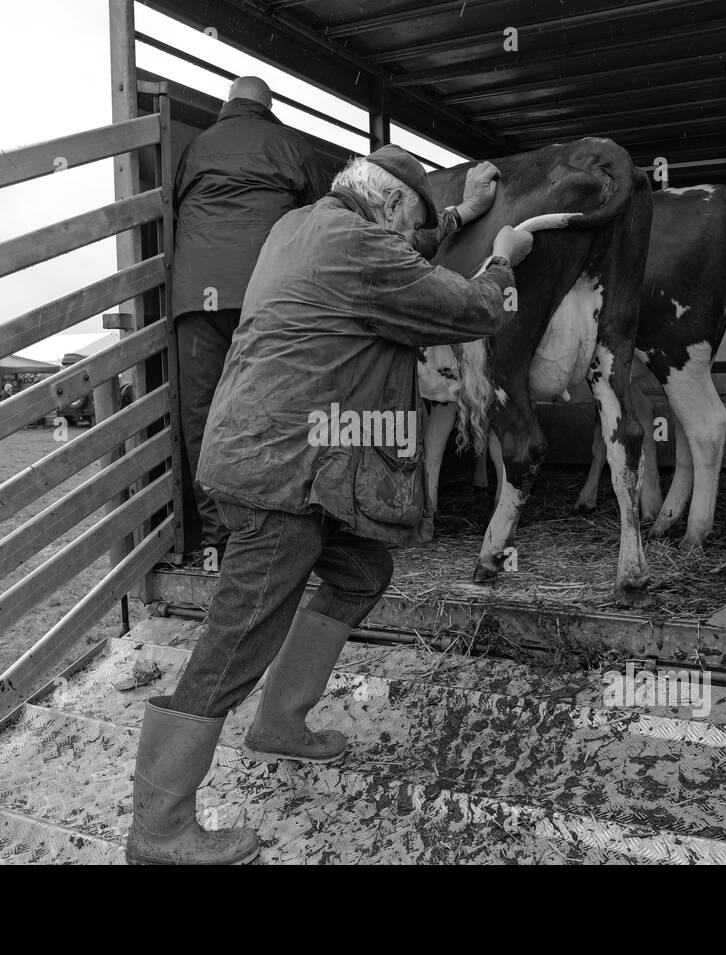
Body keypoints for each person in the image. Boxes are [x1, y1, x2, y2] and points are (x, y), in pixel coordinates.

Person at [126, 144, 533, 864]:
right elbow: (472, 308)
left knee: (360, 569)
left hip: (263, 454)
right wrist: (502, 255)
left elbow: (399, 256)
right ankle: (160, 826)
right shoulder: (359, 246)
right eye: (411, 226)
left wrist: (458, 214)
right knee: (236, 639)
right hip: (279, 476)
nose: (412, 243)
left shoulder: (301, 227)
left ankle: (280, 720)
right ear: (388, 206)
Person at [170, 75, 332, 557]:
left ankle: (218, 543)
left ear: (227, 103)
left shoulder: (195, 149)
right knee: (277, 416)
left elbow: (175, 206)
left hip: (198, 300)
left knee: (203, 416)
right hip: (269, 296)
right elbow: (321, 217)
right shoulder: (293, 147)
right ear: (269, 106)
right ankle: (274, 537)